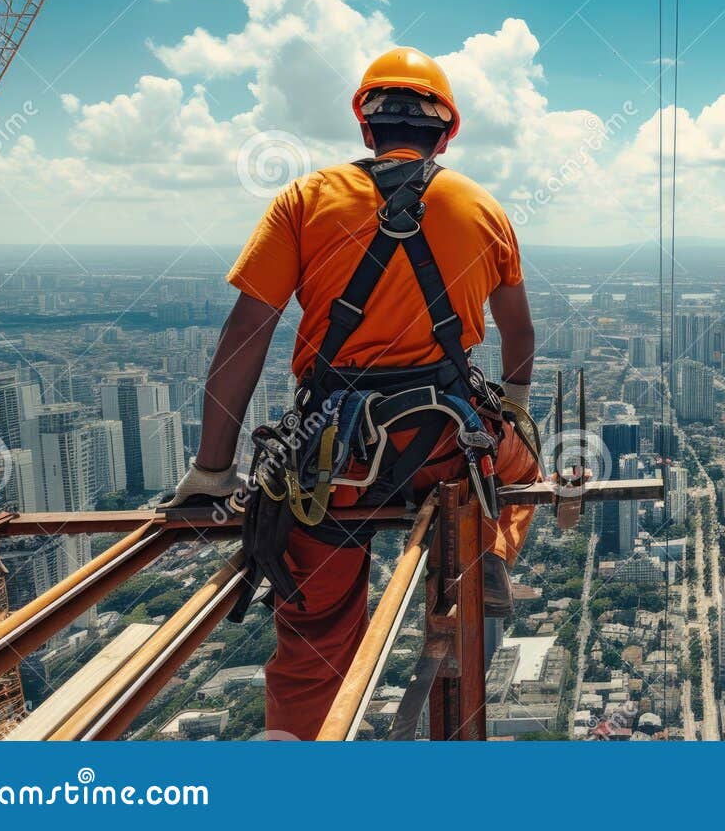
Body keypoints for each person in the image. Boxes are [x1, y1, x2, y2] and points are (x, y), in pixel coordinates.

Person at [169, 46, 574, 739]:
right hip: (449, 449)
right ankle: (492, 557)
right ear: (446, 133)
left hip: (335, 467)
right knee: (520, 465)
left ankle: (292, 762)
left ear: (367, 127)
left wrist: (212, 470)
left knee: (315, 633)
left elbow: (244, 338)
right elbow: (521, 335)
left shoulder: (303, 200)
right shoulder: (483, 209)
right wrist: (512, 414)